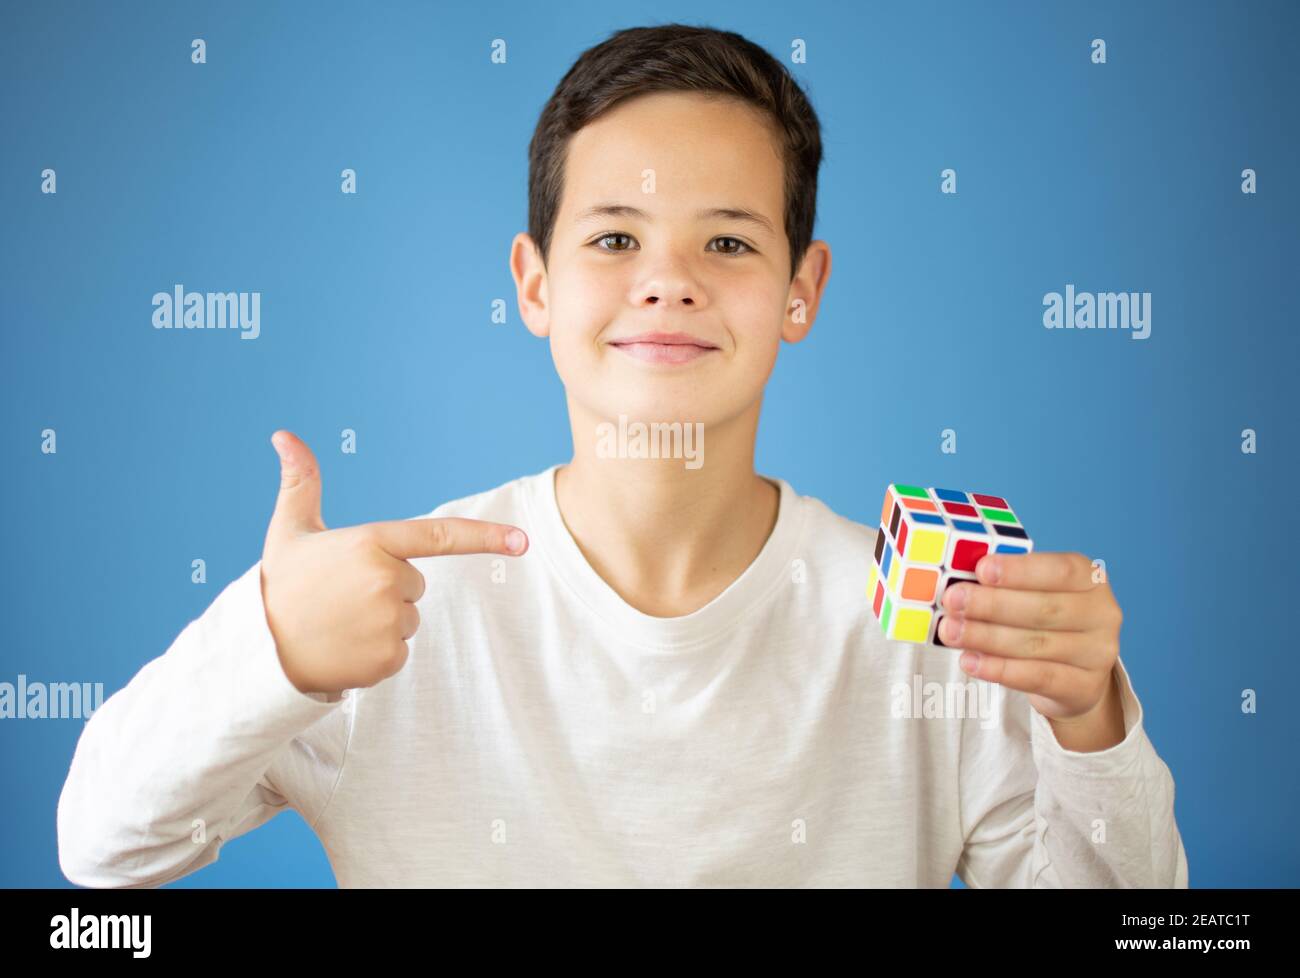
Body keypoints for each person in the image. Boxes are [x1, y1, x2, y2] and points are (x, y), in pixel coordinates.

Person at [57, 23, 1187, 888]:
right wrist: (271, 646)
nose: (668, 280)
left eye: (729, 241)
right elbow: (102, 852)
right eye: (612, 239)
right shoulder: (379, 617)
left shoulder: (936, 627)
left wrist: (1088, 722)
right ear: (534, 284)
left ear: (802, 290)